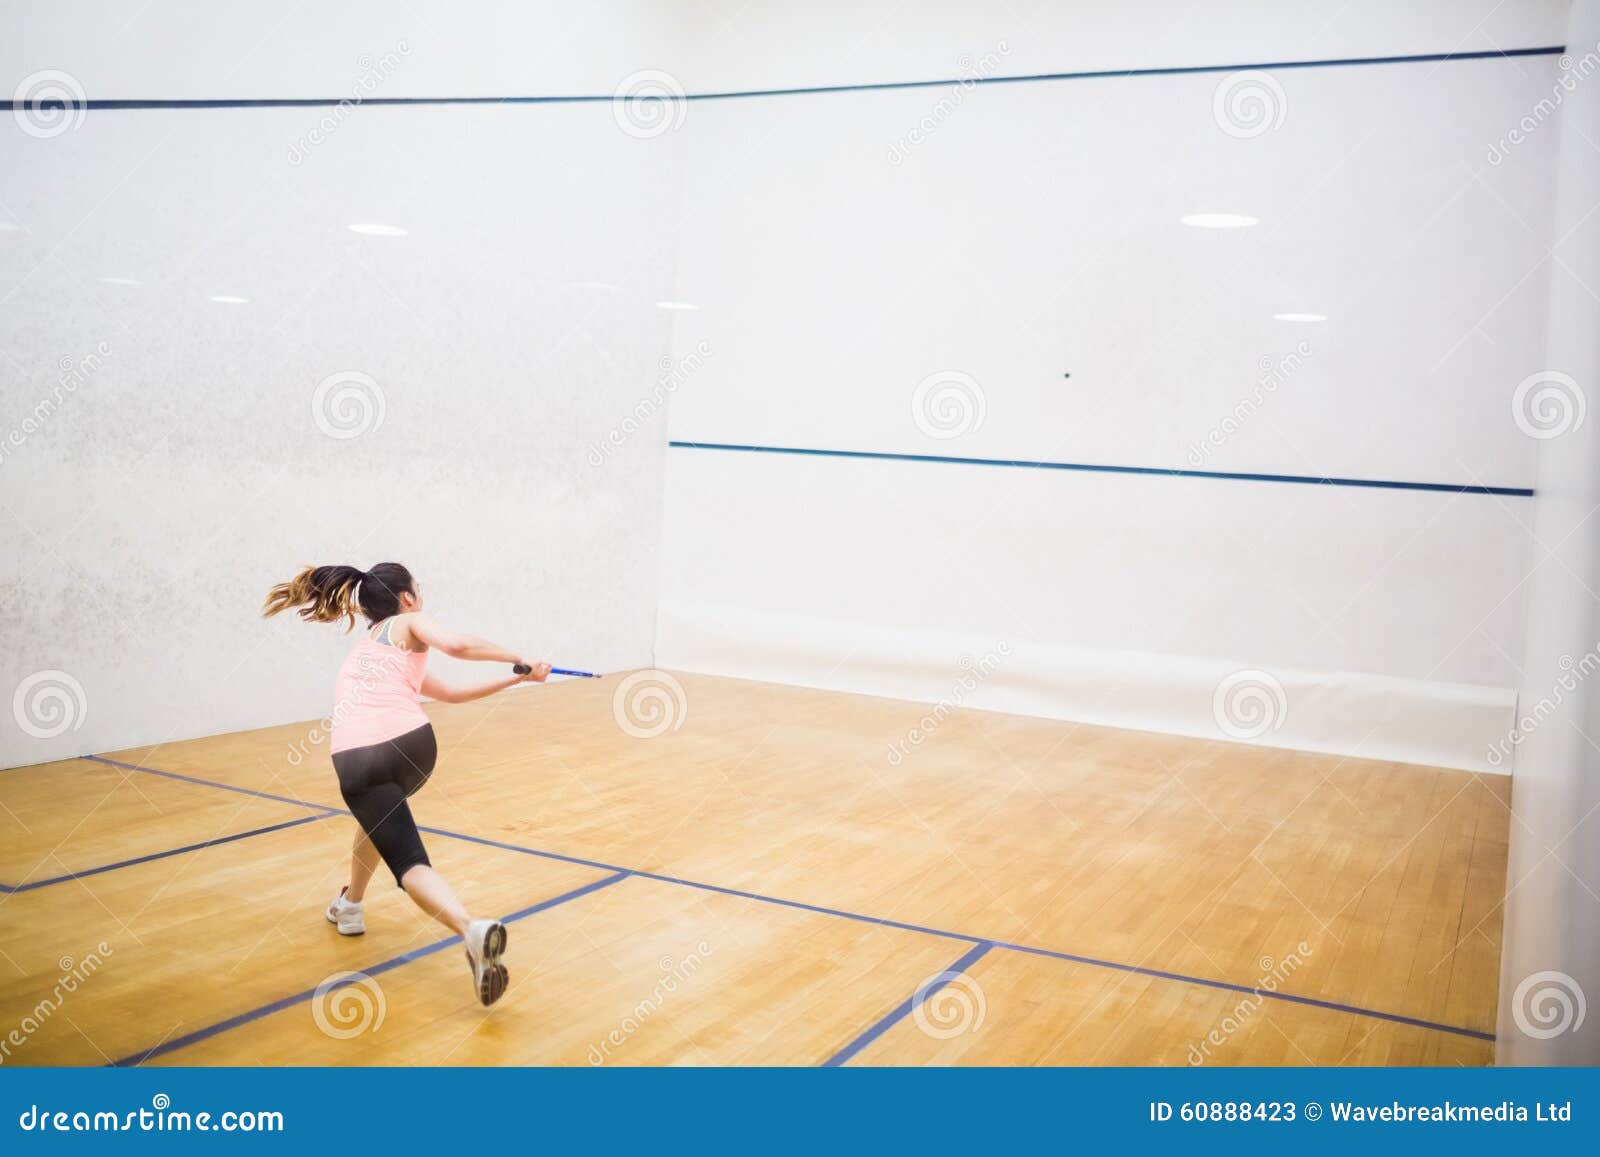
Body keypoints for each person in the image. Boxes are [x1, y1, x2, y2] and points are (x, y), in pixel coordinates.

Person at [262, 562, 551, 1006]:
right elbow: (454, 662)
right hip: (415, 750)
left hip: (359, 761)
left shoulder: (371, 650)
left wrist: (519, 675)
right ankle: (350, 905)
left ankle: (470, 929)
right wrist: (518, 660)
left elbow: (451, 679)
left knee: (410, 864)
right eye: (418, 589)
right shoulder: (408, 624)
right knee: (378, 821)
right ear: (407, 599)